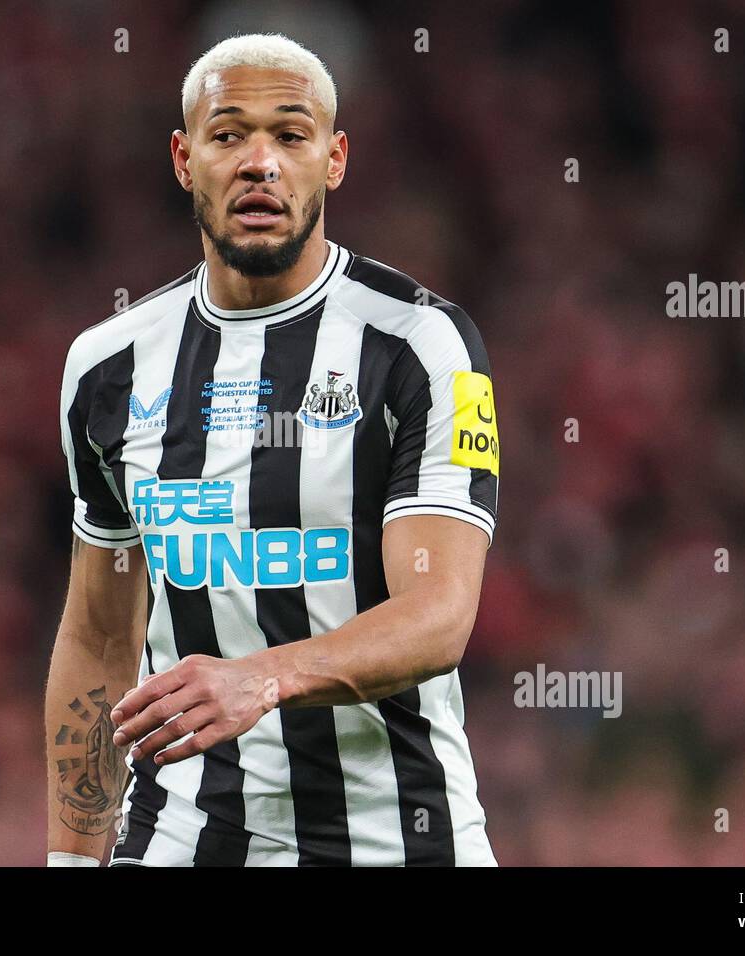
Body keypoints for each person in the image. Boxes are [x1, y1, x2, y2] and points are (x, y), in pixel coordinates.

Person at [46, 32, 500, 867]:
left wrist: (262, 676)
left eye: (290, 135)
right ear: (185, 160)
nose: (260, 162)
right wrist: (72, 860)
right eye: (228, 135)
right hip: (179, 839)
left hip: (399, 838)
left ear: (334, 159)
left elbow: (439, 615)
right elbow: (100, 637)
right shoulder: (107, 367)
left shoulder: (421, 345)